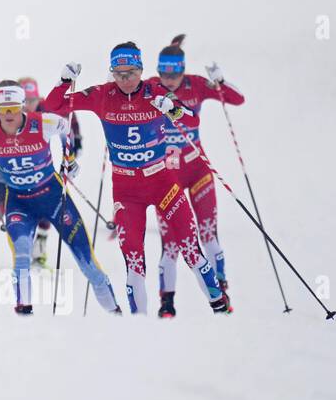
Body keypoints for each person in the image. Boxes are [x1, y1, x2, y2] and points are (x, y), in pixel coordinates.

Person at [41, 43, 230, 315]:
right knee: (134, 261)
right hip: (127, 191)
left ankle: (219, 308)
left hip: (163, 183)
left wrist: (172, 109)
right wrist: (63, 82)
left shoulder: (156, 92)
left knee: (191, 249)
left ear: (141, 70)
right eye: (118, 74)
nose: (124, 80)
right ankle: (138, 327)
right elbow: (54, 105)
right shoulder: (101, 95)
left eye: (130, 73)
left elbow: (192, 123)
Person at [0, 80, 121, 315]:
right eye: (3, 109)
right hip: (19, 204)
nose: (8, 114)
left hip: (54, 199)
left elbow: (65, 126)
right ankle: (25, 317)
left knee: (89, 267)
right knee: (22, 258)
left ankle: (116, 314)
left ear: (23, 105)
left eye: (13, 107)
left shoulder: (44, 123)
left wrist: (69, 159)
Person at [147, 35, 245, 317]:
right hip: (167, 177)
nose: (168, 80)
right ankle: (167, 302)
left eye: (174, 74)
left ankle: (221, 290)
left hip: (198, 170)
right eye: (164, 74)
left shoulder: (197, 85)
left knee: (209, 236)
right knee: (172, 245)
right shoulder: (151, 87)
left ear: (182, 70)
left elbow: (237, 100)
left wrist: (221, 81)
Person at [0, 75, 78, 268]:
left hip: (38, 171)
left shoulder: (45, 112)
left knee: (47, 204)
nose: (28, 105)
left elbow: (69, 122)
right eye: (25, 101)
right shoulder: (8, 112)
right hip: (6, 172)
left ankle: (41, 243)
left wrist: (72, 152)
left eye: (32, 101)